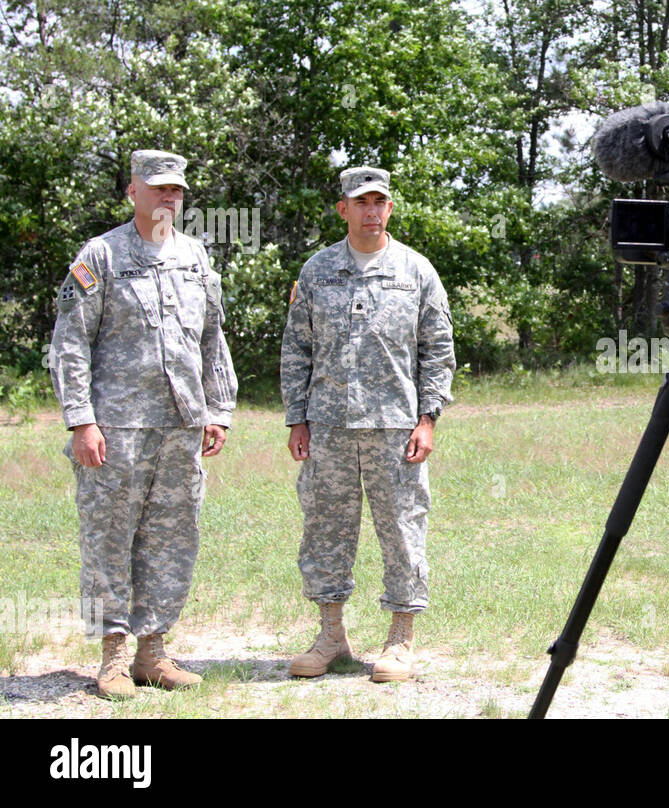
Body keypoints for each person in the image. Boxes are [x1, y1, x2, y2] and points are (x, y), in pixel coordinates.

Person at [51, 149, 238, 699]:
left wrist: (218, 408)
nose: (168, 197)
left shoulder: (195, 257)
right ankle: (111, 657)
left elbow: (211, 339)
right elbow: (70, 343)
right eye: (157, 188)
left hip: (180, 426)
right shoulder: (101, 256)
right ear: (132, 191)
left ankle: (152, 653)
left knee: (172, 538)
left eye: (176, 189)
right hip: (117, 429)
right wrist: (82, 421)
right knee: (109, 538)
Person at [281, 166, 455, 683]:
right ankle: (331, 637)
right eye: (361, 202)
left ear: (390, 209)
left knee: (401, 529)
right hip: (329, 427)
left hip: (395, 428)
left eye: (380, 202)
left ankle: (400, 641)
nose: (371, 211)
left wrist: (428, 418)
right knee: (325, 530)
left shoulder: (416, 271)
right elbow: (297, 349)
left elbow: (438, 349)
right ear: (344, 209)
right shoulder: (318, 271)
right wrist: (297, 418)